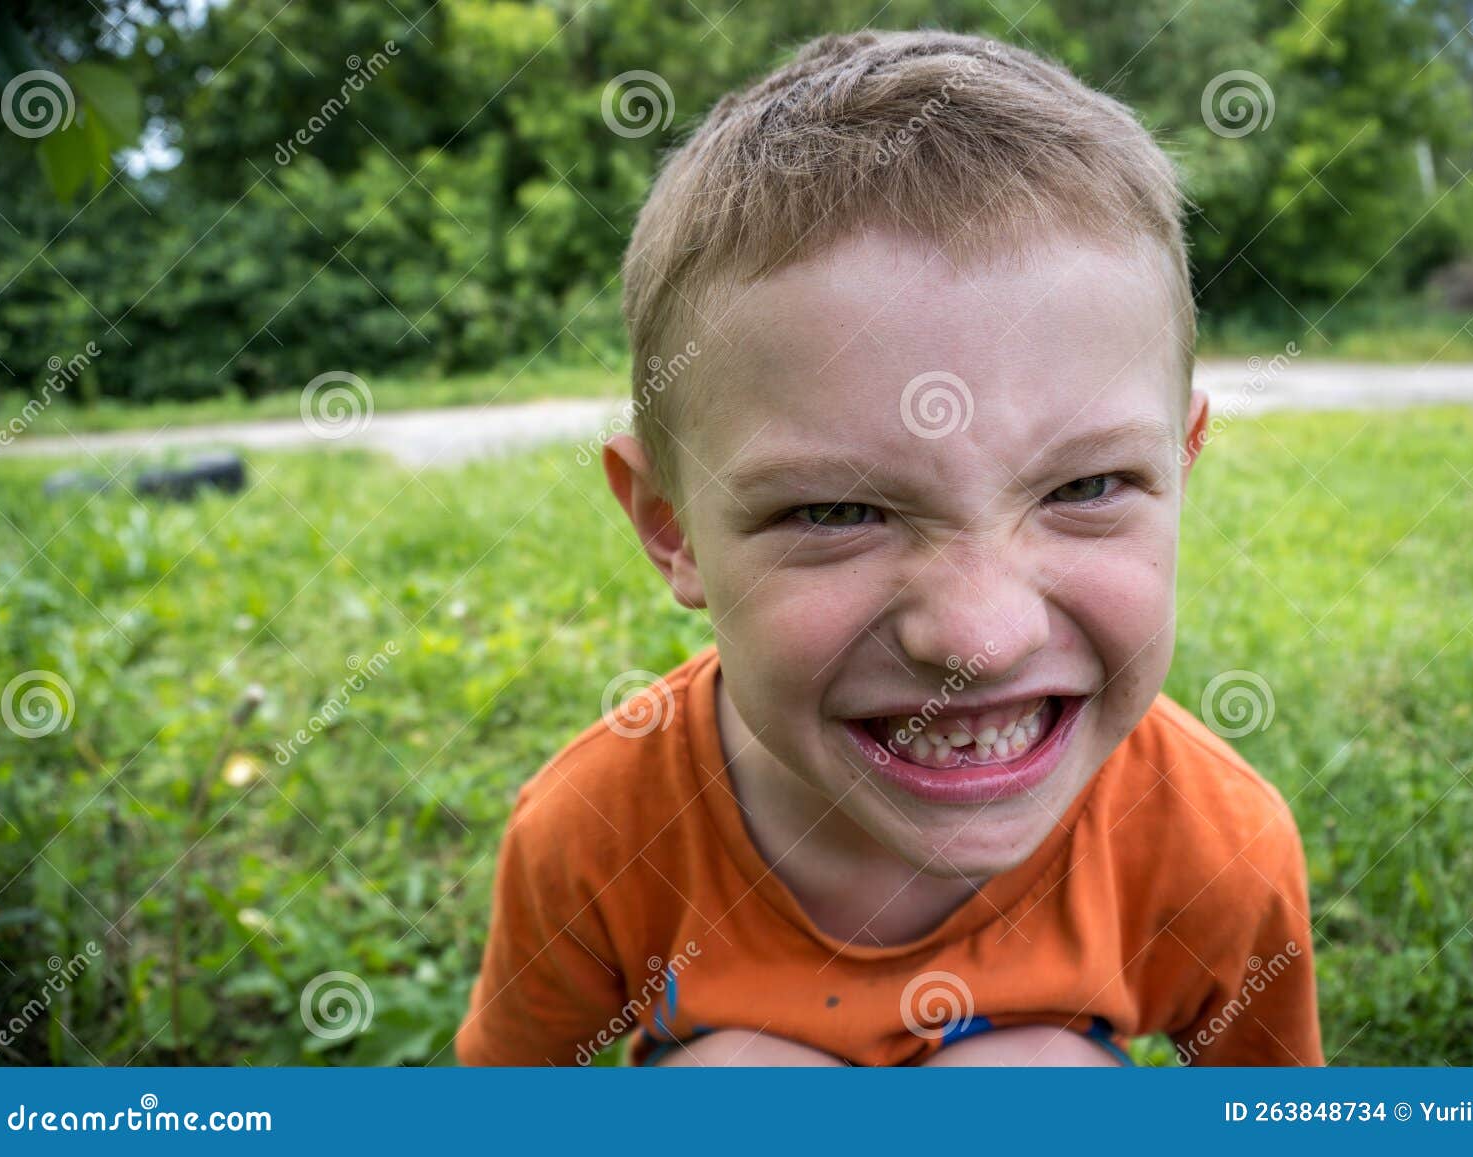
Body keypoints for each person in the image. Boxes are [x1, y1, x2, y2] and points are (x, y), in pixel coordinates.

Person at [456, 28, 1322, 1067]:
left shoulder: (1215, 843)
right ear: (669, 524)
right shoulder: (594, 829)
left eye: (1085, 487)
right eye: (835, 512)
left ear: (1181, 467)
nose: (980, 635)